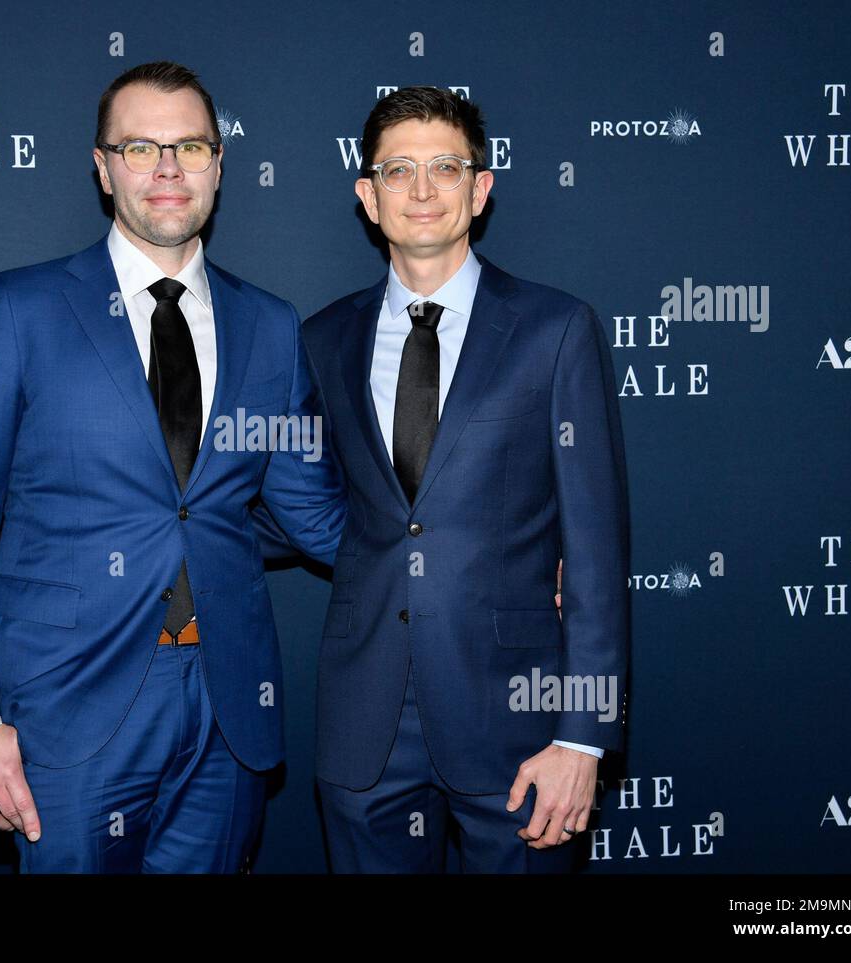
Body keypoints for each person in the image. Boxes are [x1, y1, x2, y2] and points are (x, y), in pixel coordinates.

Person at [0, 61, 345, 873]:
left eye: (190, 145)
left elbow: (313, 516)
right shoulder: (19, 310)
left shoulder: (270, 325)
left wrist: (498, 560)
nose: (169, 168)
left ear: (220, 162)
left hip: (227, 711)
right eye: (141, 146)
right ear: (103, 167)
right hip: (65, 710)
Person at [298, 86, 629, 872]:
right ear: (367, 196)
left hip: (521, 722)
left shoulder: (555, 330)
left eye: (445, 167)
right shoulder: (319, 339)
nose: (421, 190)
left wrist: (582, 736)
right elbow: (299, 502)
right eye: (398, 170)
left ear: (480, 189)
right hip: (364, 723)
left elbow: (594, 545)